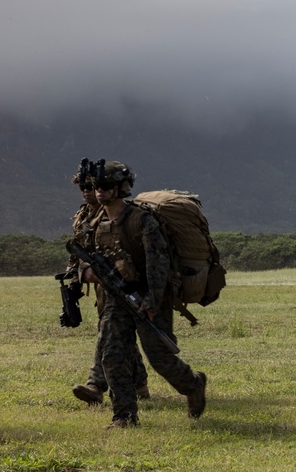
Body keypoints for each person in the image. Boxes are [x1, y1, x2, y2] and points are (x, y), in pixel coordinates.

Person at [76, 160, 206, 428]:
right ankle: (124, 416)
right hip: (116, 298)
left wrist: (151, 301)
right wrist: (85, 272)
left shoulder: (141, 220)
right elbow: (83, 255)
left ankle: (193, 385)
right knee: (111, 355)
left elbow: (158, 264)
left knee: (159, 356)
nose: (99, 191)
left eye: (106, 186)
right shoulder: (95, 221)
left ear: (121, 188)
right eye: (95, 186)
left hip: (149, 297)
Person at [64, 161, 150, 406]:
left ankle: (96, 385)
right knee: (117, 335)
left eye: (94, 186)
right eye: (85, 186)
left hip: (126, 283)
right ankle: (140, 383)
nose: (88, 191)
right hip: (103, 285)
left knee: (109, 334)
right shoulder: (85, 215)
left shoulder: (119, 213)